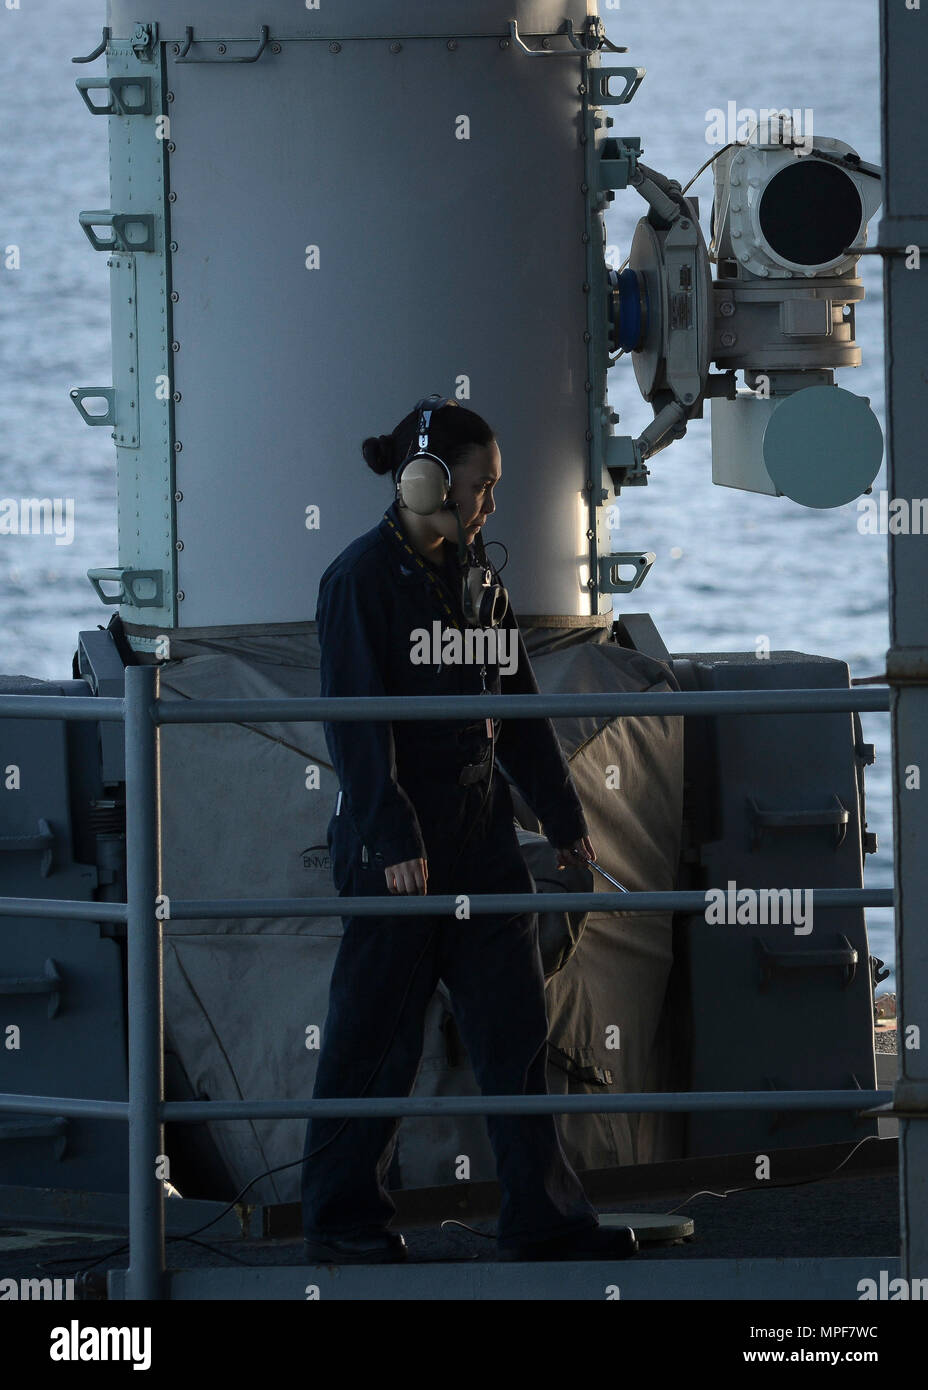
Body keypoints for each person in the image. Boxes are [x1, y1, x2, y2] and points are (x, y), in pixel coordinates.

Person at [301, 396, 638, 1264]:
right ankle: (342, 1225)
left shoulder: (481, 580)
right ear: (428, 480)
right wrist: (390, 834)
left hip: (484, 845)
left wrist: (564, 823)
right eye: (481, 486)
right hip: (399, 855)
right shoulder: (357, 582)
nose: (489, 504)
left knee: (516, 1037)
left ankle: (545, 1219)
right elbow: (354, 722)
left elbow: (517, 711)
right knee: (372, 1046)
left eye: (493, 488)